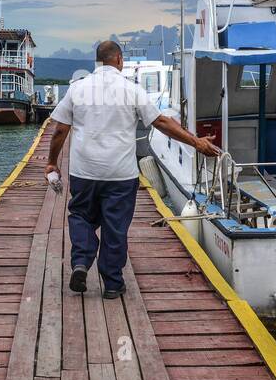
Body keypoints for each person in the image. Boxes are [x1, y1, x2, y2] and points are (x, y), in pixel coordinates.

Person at [46, 40, 219, 299]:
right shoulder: (132, 90)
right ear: (118, 59)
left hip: (84, 172)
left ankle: (81, 262)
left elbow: (60, 129)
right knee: (115, 226)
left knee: (81, 216)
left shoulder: (77, 89)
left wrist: (52, 162)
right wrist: (197, 143)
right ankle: (113, 284)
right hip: (120, 174)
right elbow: (161, 122)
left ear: (98, 61)